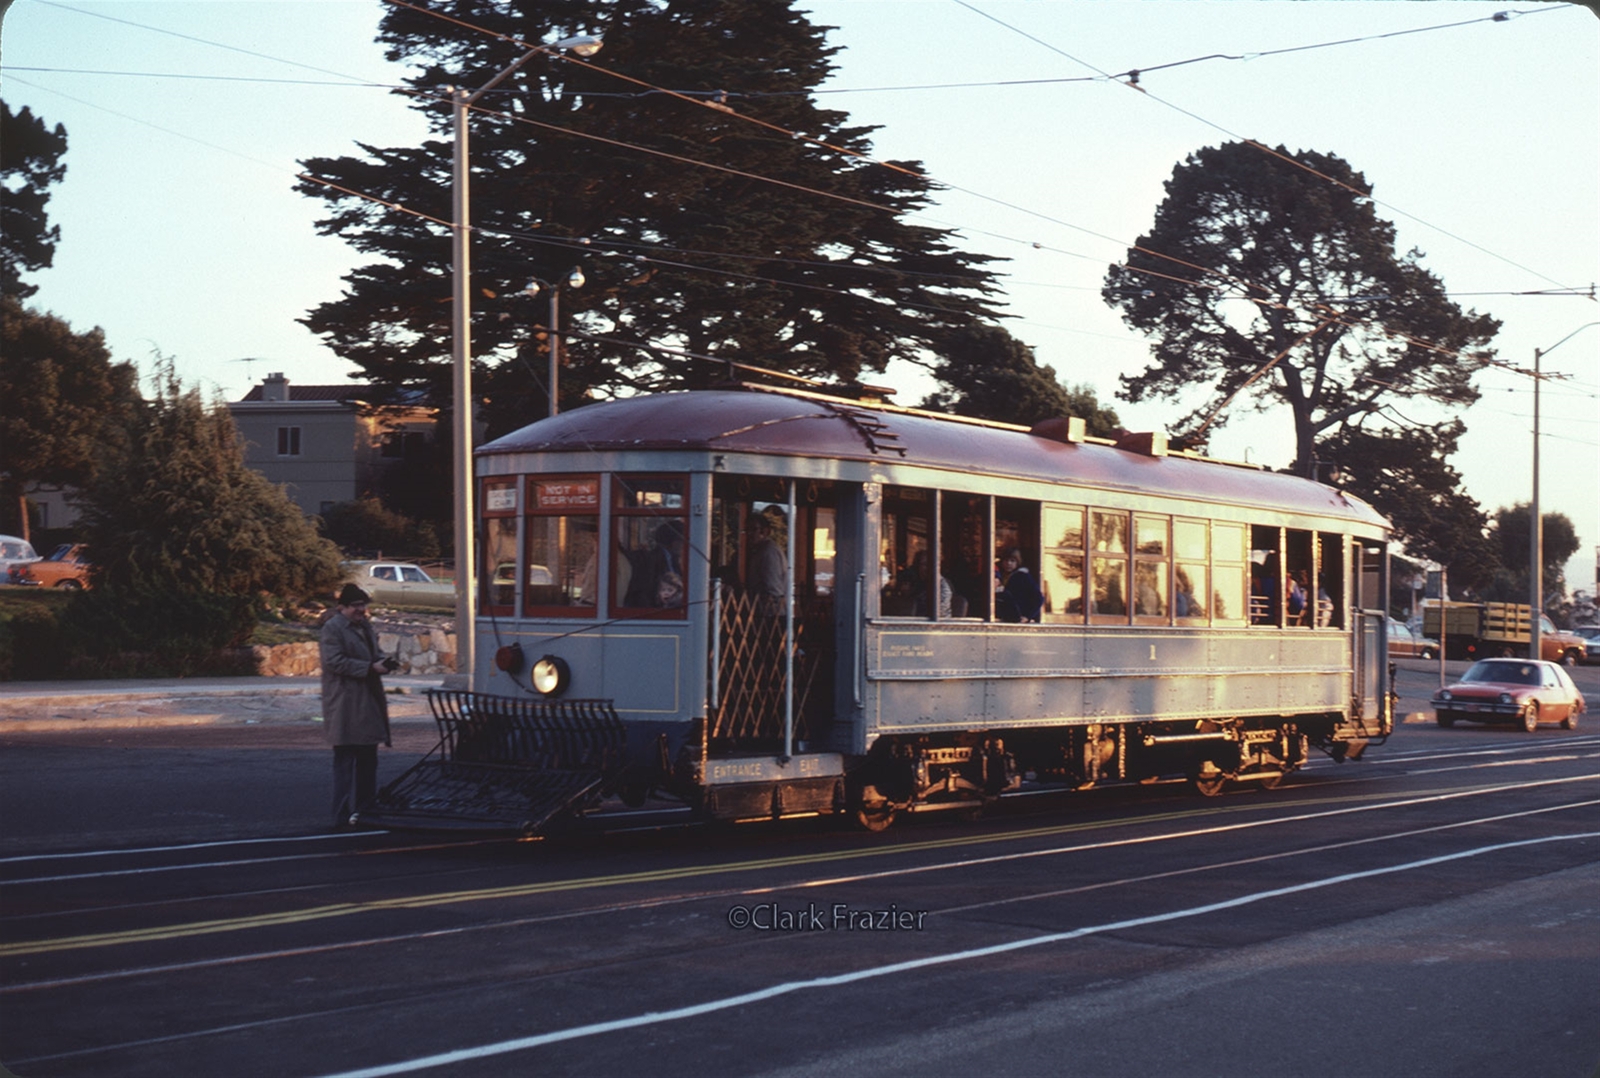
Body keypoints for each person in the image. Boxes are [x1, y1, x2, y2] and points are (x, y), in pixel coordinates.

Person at [320, 583, 393, 829]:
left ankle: (365, 810)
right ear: (342, 607)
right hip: (345, 703)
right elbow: (334, 662)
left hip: (367, 702)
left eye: (363, 605)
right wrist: (370, 669)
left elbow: (374, 653)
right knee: (344, 763)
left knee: (368, 761)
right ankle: (341, 815)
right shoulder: (332, 629)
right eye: (356, 606)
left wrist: (385, 662)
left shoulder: (365, 627)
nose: (361, 610)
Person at [746, 508, 788, 616]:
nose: (749, 534)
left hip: (770, 613)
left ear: (766, 531)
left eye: (754, 529)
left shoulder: (768, 552)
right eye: (747, 530)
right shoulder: (759, 551)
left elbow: (772, 586)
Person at [995, 546, 1044, 623]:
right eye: (1006, 560)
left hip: (1018, 619)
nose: (1008, 563)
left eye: (1012, 561)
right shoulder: (999, 576)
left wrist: (1027, 616)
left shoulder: (1023, 576)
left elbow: (1038, 598)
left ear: (1018, 562)